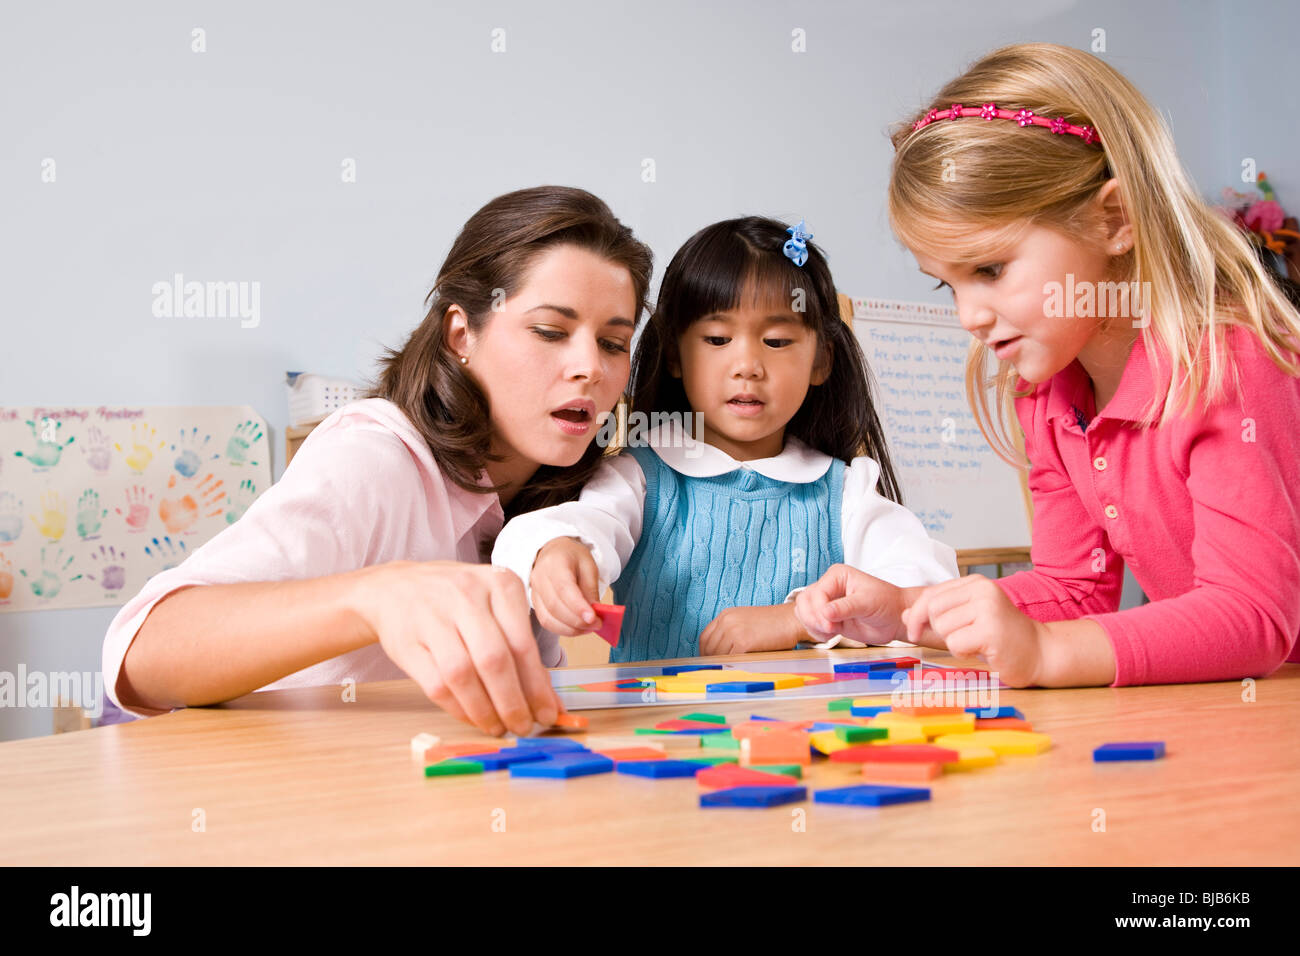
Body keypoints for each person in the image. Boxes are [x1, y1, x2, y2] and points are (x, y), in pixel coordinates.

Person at [795, 43, 1300, 688]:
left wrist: (1048, 654)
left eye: (989, 269)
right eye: (947, 285)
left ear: (1114, 220)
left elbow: (1254, 618)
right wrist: (910, 611)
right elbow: (1072, 588)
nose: (969, 317)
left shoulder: (1228, 361)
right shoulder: (1047, 391)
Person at [102, 185, 654, 736]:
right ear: (462, 334)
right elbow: (140, 655)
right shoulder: (373, 457)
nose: (590, 367)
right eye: (550, 332)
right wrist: (375, 597)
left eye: (612, 343)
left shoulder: (574, 499)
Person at [492, 216, 956, 662]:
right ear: (675, 354)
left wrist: (800, 618)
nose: (747, 366)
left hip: (805, 734)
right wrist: (556, 551)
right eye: (716, 339)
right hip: (661, 735)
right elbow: (577, 524)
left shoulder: (845, 493)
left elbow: (923, 592)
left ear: (821, 362)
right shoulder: (642, 476)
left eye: (776, 341)